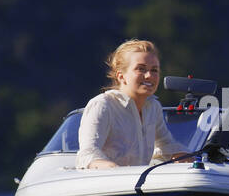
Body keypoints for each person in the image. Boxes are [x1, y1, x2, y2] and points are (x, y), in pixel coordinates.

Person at [76, 39, 189, 169]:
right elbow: (87, 153)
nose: (149, 76)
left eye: (154, 70)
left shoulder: (154, 107)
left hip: (140, 185)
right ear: (121, 76)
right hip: (108, 185)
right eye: (140, 69)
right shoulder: (103, 105)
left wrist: (187, 158)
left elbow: (167, 145)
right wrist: (111, 168)